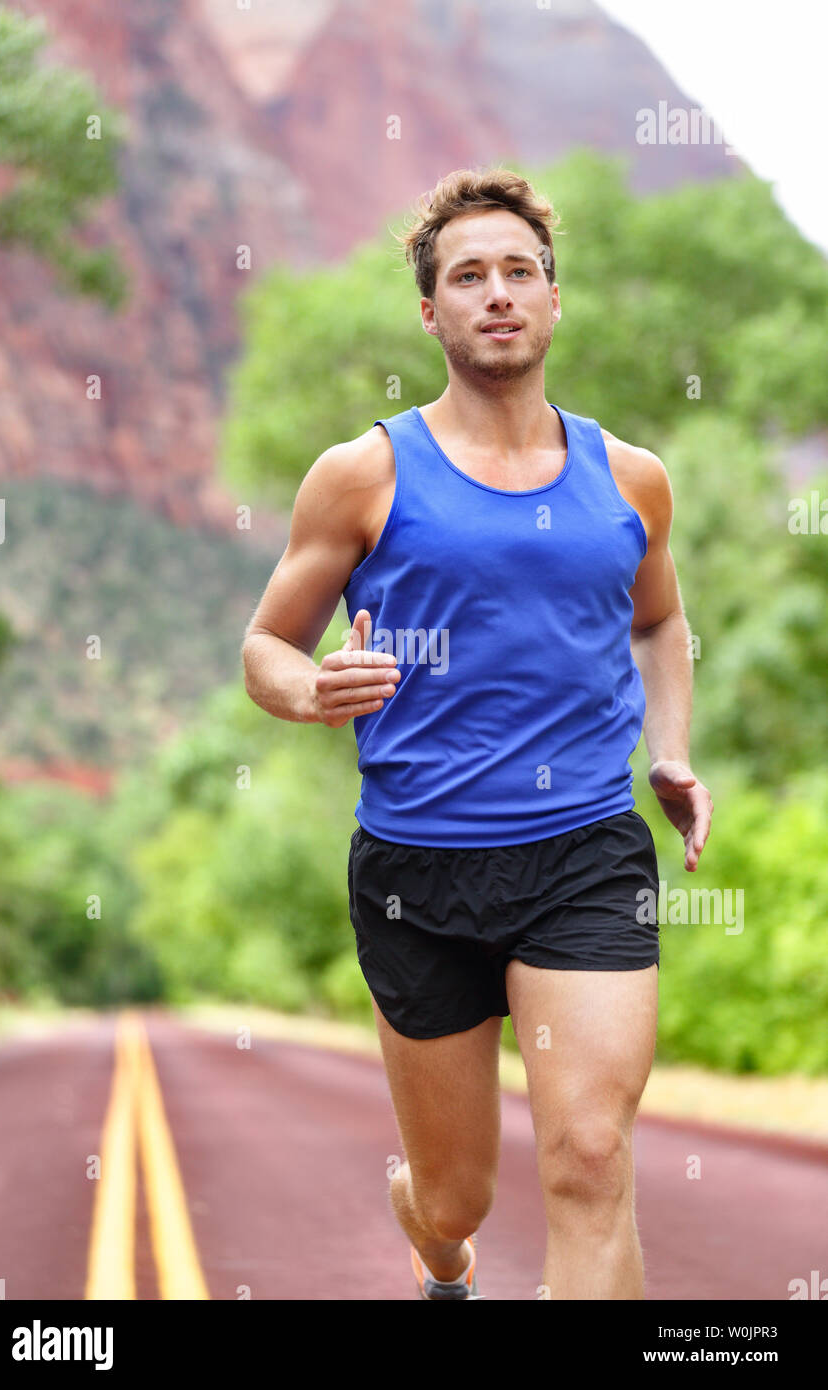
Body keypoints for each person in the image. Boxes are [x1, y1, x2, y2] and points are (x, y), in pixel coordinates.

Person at [242, 166, 713, 1301]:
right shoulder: (363, 474)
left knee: (590, 1158)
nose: (496, 293)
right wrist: (313, 691)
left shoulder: (630, 480)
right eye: (467, 276)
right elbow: (266, 644)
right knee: (457, 1198)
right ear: (430, 312)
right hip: (417, 869)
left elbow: (660, 622)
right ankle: (438, 1255)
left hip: (586, 853)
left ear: (552, 300)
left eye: (518, 271)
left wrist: (670, 748)